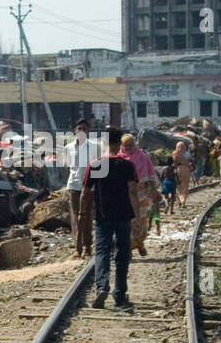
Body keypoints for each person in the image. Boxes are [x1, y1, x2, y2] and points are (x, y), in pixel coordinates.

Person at [81, 128, 138, 310]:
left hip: (103, 216)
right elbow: (132, 192)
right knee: (122, 255)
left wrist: (83, 213)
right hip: (123, 216)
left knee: (102, 253)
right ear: (119, 144)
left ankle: (101, 287)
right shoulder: (127, 165)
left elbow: (86, 192)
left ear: (104, 143)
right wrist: (136, 217)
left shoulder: (97, 165)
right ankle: (120, 296)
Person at [120, 133, 159, 257]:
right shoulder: (119, 158)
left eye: (131, 145)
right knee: (127, 222)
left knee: (141, 222)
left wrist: (153, 190)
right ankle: (130, 248)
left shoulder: (143, 157)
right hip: (124, 196)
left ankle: (140, 244)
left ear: (135, 144)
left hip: (142, 195)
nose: (128, 148)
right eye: (126, 146)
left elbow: (151, 175)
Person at [64, 118, 98, 258]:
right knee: (75, 217)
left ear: (88, 131)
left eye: (84, 129)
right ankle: (77, 248)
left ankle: (88, 246)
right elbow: (68, 167)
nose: (82, 131)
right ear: (75, 131)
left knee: (87, 216)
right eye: (79, 129)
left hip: (89, 186)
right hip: (74, 185)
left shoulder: (94, 147)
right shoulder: (68, 148)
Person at [172, 141, 193, 208]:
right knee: (185, 186)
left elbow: (174, 163)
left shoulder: (174, 153)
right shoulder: (187, 154)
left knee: (178, 186)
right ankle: (183, 202)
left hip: (178, 169)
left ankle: (179, 200)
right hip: (186, 170)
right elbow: (190, 162)